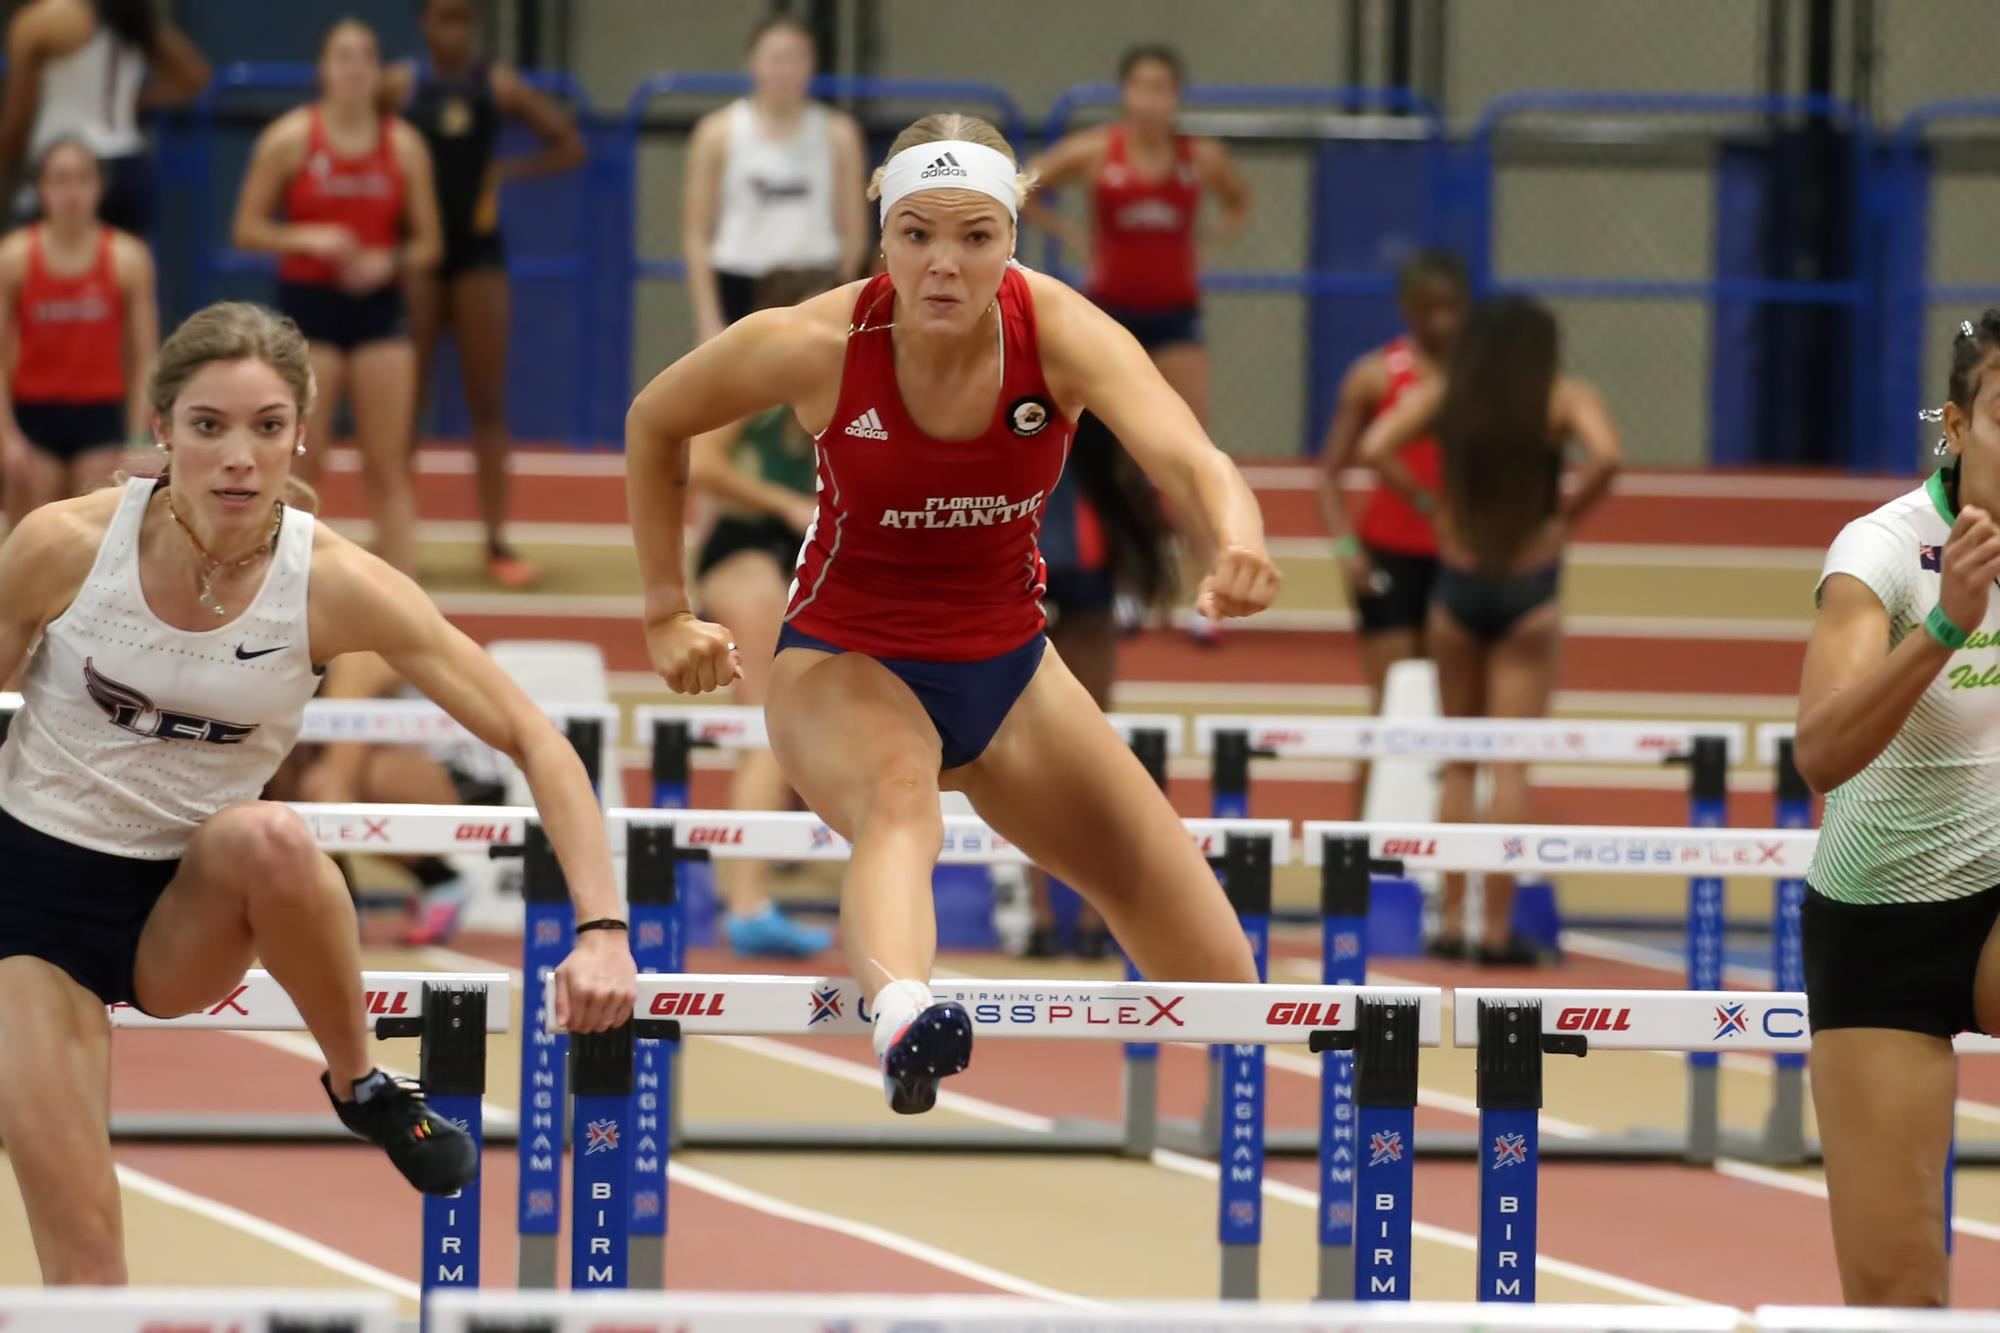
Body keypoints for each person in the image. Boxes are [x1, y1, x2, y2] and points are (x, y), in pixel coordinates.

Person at [627, 112, 1281, 1114]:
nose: (944, 266)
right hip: (845, 660)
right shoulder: (814, 340)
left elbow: (1192, 457)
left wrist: (1238, 538)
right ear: (879, 233)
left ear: (1012, 237)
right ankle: (904, 1019)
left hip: (1011, 667)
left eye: (975, 237)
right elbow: (656, 418)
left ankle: (1338, 1142)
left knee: (1218, 973)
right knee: (900, 797)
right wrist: (666, 610)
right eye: (917, 234)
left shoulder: (1056, 330)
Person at [0, 300, 634, 1284]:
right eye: (208, 426)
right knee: (85, 1250)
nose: (237, 457)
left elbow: (533, 737)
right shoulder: (65, 542)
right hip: (26, 908)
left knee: (275, 838)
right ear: (161, 426)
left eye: (265, 427)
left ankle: (364, 1082)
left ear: (302, 433)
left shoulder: (334, 583)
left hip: (184, 908)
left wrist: (603, 929)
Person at [1792, 312, 2000, 1307]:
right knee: (1895, 1294)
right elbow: (1821, 751)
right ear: (1956, 427)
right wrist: (1946, 626)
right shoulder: (1879, 550)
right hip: (1882, 923)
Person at [1358, 296, 1620, 965]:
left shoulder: (1448, 394)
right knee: (1509, 764)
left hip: (1459, 578)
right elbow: (1610, 456)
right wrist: (1563, 518)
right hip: (1530, 585)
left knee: (1460, 757)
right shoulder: (1561, 397)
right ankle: (1496, 933)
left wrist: (1431, 510)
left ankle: (1449, 922)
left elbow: (1375, 446)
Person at [1023, 44, 1248, 643]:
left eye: (1163, 89)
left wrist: (1209, 247)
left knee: (1189, 449)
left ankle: (1210, 583)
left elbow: (1238, 200)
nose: (1152, 100)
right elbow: (1024, 185)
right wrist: (1070, 231)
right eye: (1141, 87)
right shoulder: (1097, 152)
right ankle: (1130, 584)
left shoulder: (1198, 158)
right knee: (1117, 459)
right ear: (1125, 93)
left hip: (1175, 319)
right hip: (1110, 316)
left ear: (1177, 97)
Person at [385, 0, 588, 590]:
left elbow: (568, 142)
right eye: (444, 17)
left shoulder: (495, 86)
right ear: (424, 22)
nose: (453, 29)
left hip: (478, 255)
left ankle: (496, 540)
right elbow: (354, 127)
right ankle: (398, 539)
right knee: (407, 401)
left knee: (486, 400)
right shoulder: (400, 86)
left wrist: (504, 175)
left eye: (463, 18)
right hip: (421, 252)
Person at [231, 18, 442, 576]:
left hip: (378, 310)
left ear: (377, 71)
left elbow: (429, 242)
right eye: (342, 56)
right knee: (306, 459)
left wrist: (386, 260)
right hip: (308, 309)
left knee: (387, 465)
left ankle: (403, 604)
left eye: (364, 57)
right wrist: (306, 236)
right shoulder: (291, 139)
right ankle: (280, 587)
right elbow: (247, 227)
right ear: (324, 69)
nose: (352, 67)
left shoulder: (403, 145)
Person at [1316, 249, 1470, 754]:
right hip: (1390, 552)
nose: (1440, 321)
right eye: (1429, 308)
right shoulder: (1375, 375)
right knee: (1391, 706)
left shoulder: (1482, 380)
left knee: (1454, 708)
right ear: (1407, 307)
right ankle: (1366, 829)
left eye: (1450, 307)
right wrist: (1345, 549)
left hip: (1460, 555)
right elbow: (1330, 475)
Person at [681, 14, 868, 345]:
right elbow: (697, 235)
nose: (784, 70)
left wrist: (834, 294)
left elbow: (855, 234)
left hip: (815, 284)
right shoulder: (716, 133)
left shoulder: (839, 134)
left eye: (794, 58)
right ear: (752, 62)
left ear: (811, 65)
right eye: (774, 58)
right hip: (739, 284)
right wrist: (708, 318)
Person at [0, 137, 156, 523]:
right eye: (61, 180)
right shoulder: (15, 257)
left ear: (99, 187)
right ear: (43, 189)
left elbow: (146, 355)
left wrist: (138, 437)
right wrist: (7, 436)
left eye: (82, 180)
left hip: (99, 414)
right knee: (32, 527)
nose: (72, 192)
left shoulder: (127, 258)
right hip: (33, 413)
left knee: (92, 527)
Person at [0, 0, 210, 237]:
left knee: (52, 268)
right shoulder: (134, 17)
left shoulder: (43, 20)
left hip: (64, 170)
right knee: (120, 266)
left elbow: (15, 124)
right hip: (128, 168)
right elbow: (196, 78)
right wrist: (135, 100)